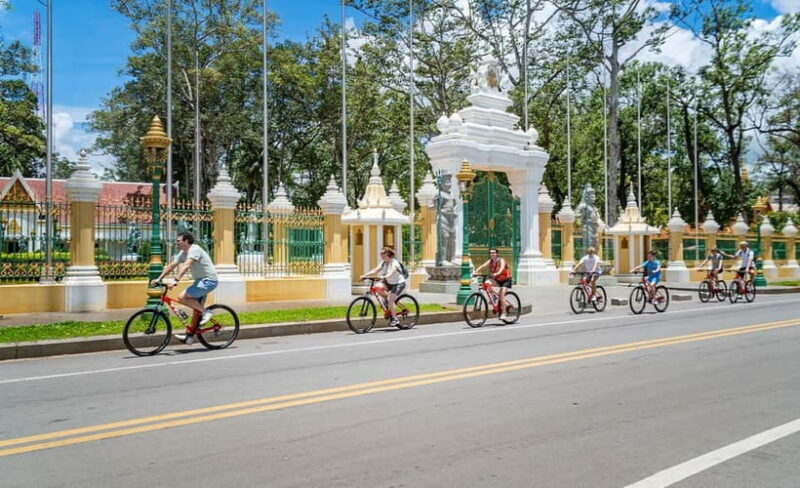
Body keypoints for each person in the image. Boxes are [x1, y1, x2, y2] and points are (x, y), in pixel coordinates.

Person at [152, 232, 218, 344]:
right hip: (200, 282)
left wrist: (175, 280)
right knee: (196, 310)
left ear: (186, 241)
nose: (176, 242)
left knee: (182, 297)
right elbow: (172, 265)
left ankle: (207, 312)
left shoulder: (194, 249)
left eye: (179, 241)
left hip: (209, 281)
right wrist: (159, 278)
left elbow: (187, 265)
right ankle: (190, 337)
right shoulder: (183, 253)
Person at [360, 247, 406, 326]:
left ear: (388, 254)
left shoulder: (394, 262)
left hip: (398, 283)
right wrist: (365, 275)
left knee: (390, 299)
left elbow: (392, 271)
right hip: (389, 282)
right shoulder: (383, 263)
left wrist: (384, 276)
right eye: (381, 253)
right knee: (377, 287)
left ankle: (395, 319)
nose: (381, 255)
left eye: (383, 253)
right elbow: (376, 270)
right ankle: (388, 303)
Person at [473, 248, 512, 321]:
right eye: (491, 253)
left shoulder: (501, 260)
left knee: (502, 294)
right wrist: (475, 272)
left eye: (494, 253)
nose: (492, 254)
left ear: (497, 254)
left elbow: (502, 267)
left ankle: (504, 313)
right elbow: (482, 266)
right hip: (497, 279)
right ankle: (493, 298)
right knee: (487, 283)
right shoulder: (490, 261)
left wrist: (498, 273)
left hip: (506, 279)